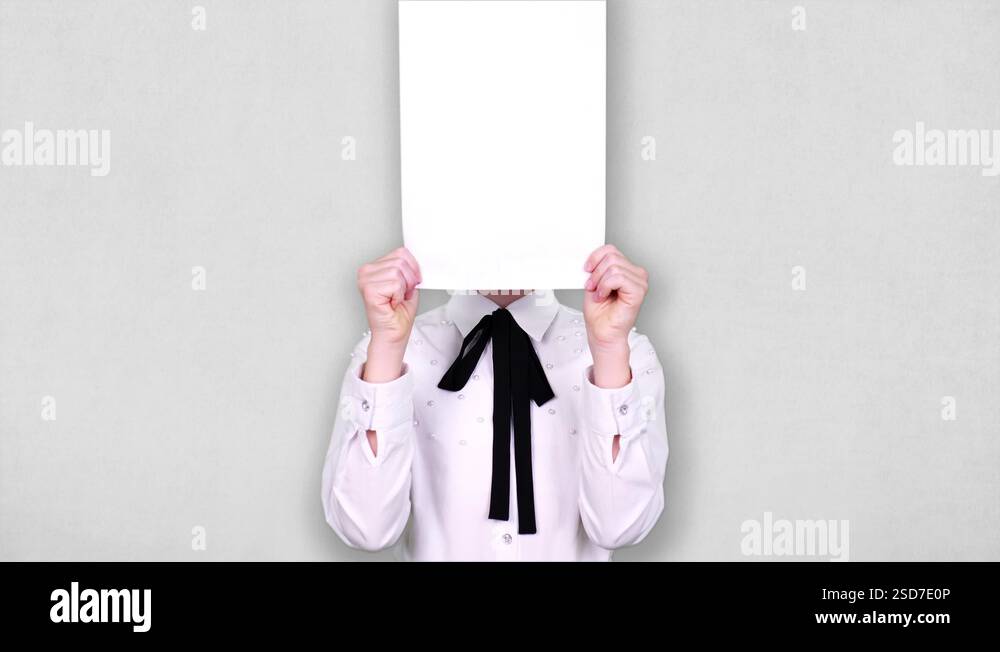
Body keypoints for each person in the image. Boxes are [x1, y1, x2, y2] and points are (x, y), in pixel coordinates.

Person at [321, 244, 668, 561]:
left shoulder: (625, 351)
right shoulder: (394, 349)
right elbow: (366, 529)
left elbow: (618, 527)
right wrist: (387, 346)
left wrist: (608, 351)